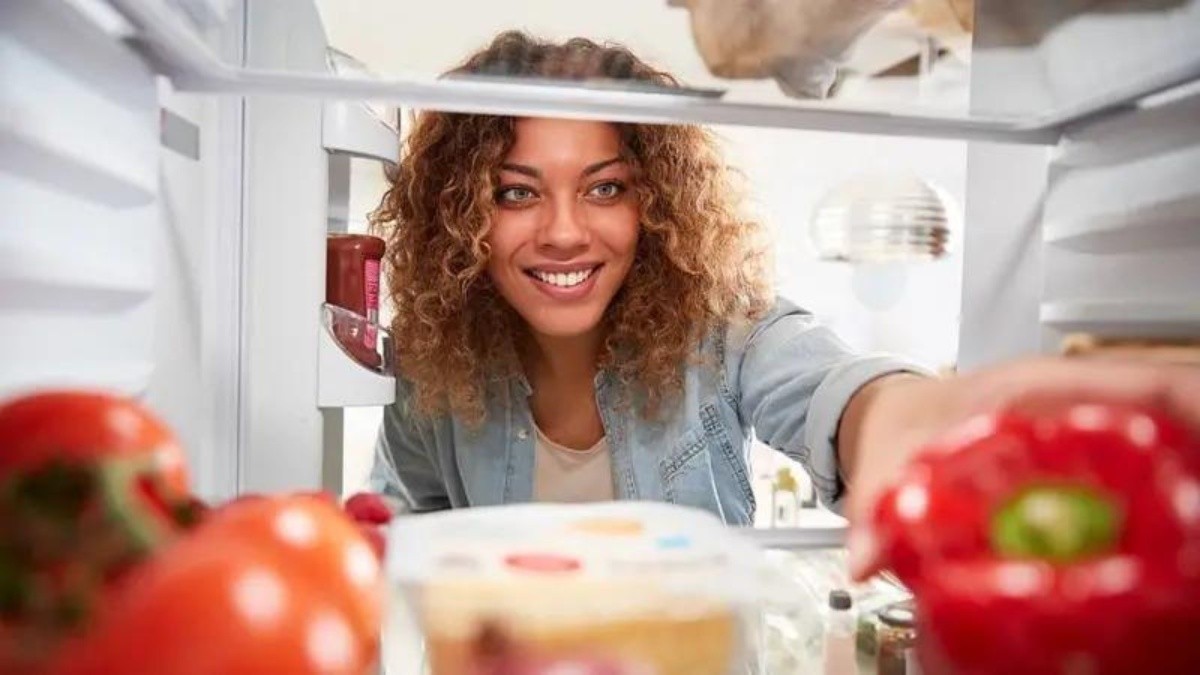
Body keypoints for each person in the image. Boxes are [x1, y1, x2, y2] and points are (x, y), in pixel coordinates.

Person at [366, 31, 1200, 577]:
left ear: (652, 205)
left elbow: (830, 387)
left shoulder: (720, 331)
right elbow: (407, 528)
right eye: (516, 193)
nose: (563, 231)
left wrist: (900, 416)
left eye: (606, 187)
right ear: (461, 215)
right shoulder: (435, 363)